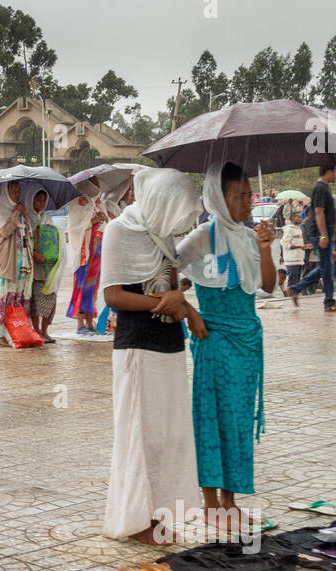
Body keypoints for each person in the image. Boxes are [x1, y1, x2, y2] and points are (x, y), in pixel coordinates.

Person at [99, 168, 204, 545]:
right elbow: (112, 296)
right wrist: (167, 302)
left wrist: (183, 307)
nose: (180, 222)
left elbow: (173, 290)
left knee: (166, 436)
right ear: (162, 203)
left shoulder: (162, 236)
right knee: (139, 434)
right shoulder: (119, 231)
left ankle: (158, 513)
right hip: (137, 346)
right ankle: (136, 519)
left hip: (169, 345)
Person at [177, 162, 277, 532]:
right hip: (213, 341)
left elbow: (267, 285)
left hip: (248, 341)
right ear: (220, 199)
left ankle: (230, 503)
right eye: (240, 196)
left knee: (238, 423)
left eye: (250, 196)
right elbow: (168, 270)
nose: (248, 203)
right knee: (210, 419)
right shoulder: (202, 238)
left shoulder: (251, 238)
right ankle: (208, 505)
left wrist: (266, 248)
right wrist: (189, 312)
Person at [287, 164, 336, 311]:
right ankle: (328, 302)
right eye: (335, 172)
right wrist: (323, 235)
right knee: (327, 268)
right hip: (320, 233)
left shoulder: (324, 188)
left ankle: (297, 289)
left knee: (326, 267)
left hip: (325, 232)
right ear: (328, 172)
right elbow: (319, 212)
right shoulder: (320, 188)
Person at [0, 181, 33, 345]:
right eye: (13, 191)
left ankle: (15, 330)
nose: (17, 194)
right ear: (6, 192)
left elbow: (28, 231)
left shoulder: (20, 208)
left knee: (17, 296)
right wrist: (16, 214)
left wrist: (24, 214)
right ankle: (1, 335)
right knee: (3, 297)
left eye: (19, 191)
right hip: (6, 260)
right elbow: (4, 231)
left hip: (21, 260)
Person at [66, 176, 108, 334]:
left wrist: (104, 218)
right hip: (84, 251)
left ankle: (90, 320)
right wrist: (92, 221)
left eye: (98, 182)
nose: (97, 185)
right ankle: (80, 322)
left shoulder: (98, 203)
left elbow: (107, 223)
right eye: (94, 182)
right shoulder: (78, 203)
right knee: (81, 284)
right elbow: (74, 227)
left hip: (98, 251)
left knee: (93, 286)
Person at [24, 186, 64, 343]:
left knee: (50, 299)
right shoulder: (26, 218)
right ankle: (37, 330)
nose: (41, 203)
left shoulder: (47, 218)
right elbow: (24, 241)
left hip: (49, 266)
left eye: (43, 200)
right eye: (38, 200)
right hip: (35, 268)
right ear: (31, 200)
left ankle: (45, 331)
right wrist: (33, 254)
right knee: (35, 301)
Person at [280, 210, 306, 295]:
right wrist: (299, 247)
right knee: (292, 280)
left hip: (299, 258)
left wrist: (304, 246)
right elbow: (284, 243)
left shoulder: (299, 229)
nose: (300, 219)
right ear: (292, 218)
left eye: (301, 217)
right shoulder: (289, 229)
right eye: (298, 217)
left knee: (297, 279)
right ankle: (289, 297)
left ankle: (294, 295)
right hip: (291, 259)